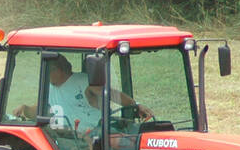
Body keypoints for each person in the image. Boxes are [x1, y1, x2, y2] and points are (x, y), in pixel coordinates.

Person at [13, 55, 151, 132]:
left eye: (49, 70)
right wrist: (24, 109)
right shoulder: (50, 88)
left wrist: (136, 105)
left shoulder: (84, 81)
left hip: (91, 132)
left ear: (59, 70)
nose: (45, 75)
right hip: (65, 137)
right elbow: (38, 110)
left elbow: (112, 95)